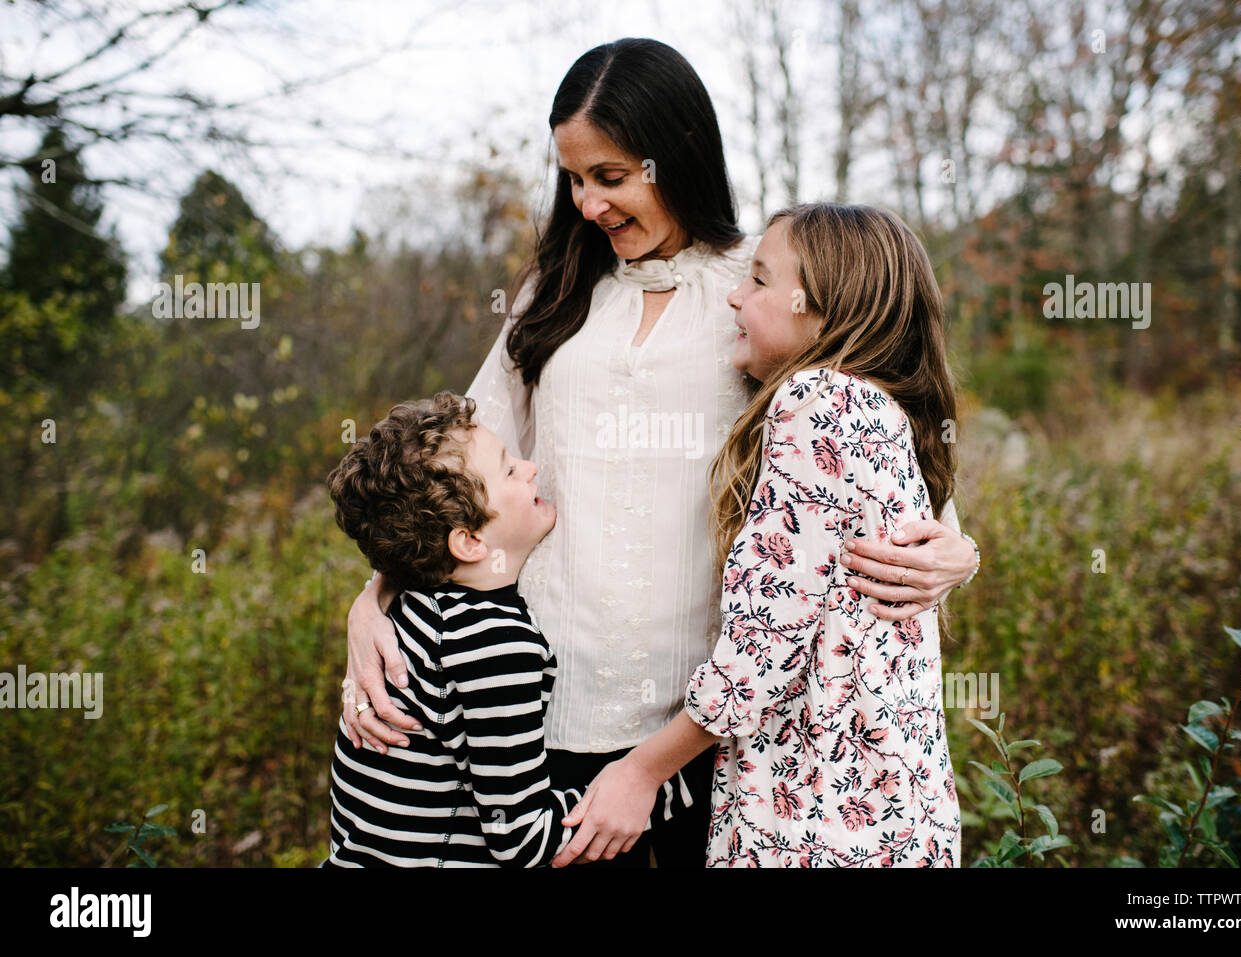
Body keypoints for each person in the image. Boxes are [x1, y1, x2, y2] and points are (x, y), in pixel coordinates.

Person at [341, 39, 979, 868]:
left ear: (673, 155)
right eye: (573, 179)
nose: (587, 204)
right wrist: (373, 599)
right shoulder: (553, 297)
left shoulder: (761, 292)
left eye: (610, 177)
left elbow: (887, 473)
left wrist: (958, 552)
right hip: (544, 713)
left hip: (705, 731)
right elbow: (448, 475)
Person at [553, 204, 965, 867]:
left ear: (823, 309)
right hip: (894, 821)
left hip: (815, 825)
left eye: (762, 281)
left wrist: (641, 771)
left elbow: (762, 649)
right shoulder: (878, 411)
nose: (736, 296)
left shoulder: (815, 405)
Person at [322, 394, 580, 867]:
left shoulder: (409, 607)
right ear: (469, 541)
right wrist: (652, 790)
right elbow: (521, 839)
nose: (531, 467)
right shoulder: (496, 644)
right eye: (508, 471)